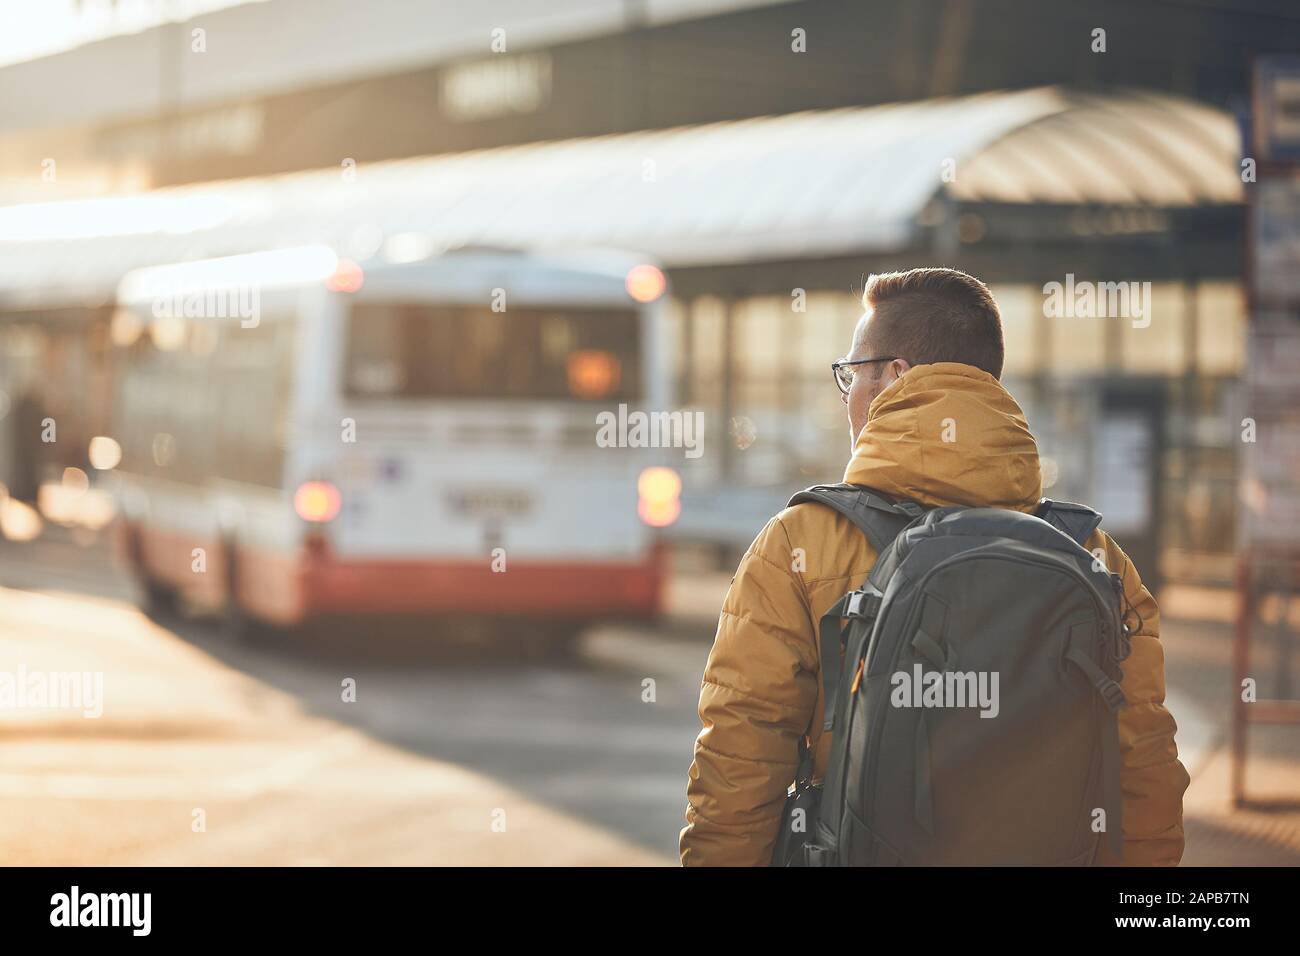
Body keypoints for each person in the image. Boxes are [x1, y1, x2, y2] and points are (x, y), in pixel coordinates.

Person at [679, 267, 1190, 866]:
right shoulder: (1093, 555)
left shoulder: (800, 545)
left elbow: (740, 765)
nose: (848, 399)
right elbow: (1144, 768)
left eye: (850, 376)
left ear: (893, 376)